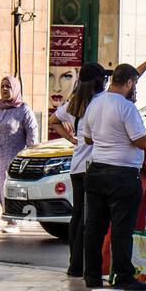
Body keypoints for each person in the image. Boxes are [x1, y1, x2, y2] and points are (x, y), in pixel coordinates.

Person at [82, 63, 146, 290]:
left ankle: (92, 276)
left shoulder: (95, 104)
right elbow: (143, 142)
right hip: (123, 175)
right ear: (128, 82)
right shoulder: (126, 108)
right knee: (121, 229)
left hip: (96, 172)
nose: (134, 88)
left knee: (94, 227)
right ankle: (123, 276)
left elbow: (88, 139)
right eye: (134, 83)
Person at [55, 64, 107, 277]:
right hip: (91, 165)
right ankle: (80, 265)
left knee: (77, 216)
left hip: (77, 165)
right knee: (89, 218)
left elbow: (53, 120)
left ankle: (74, 264)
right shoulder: (99, 102)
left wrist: (70, 138)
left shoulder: (74, 103)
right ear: (97, 81)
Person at [0, 76, 39, 234]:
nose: (4, 89)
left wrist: (31, 156)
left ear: (16, 89)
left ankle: (13, 221)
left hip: (10, 159)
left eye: (8, 86)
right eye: (2, 86)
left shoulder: (24, 110)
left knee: (8, 189)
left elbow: (32, 136)